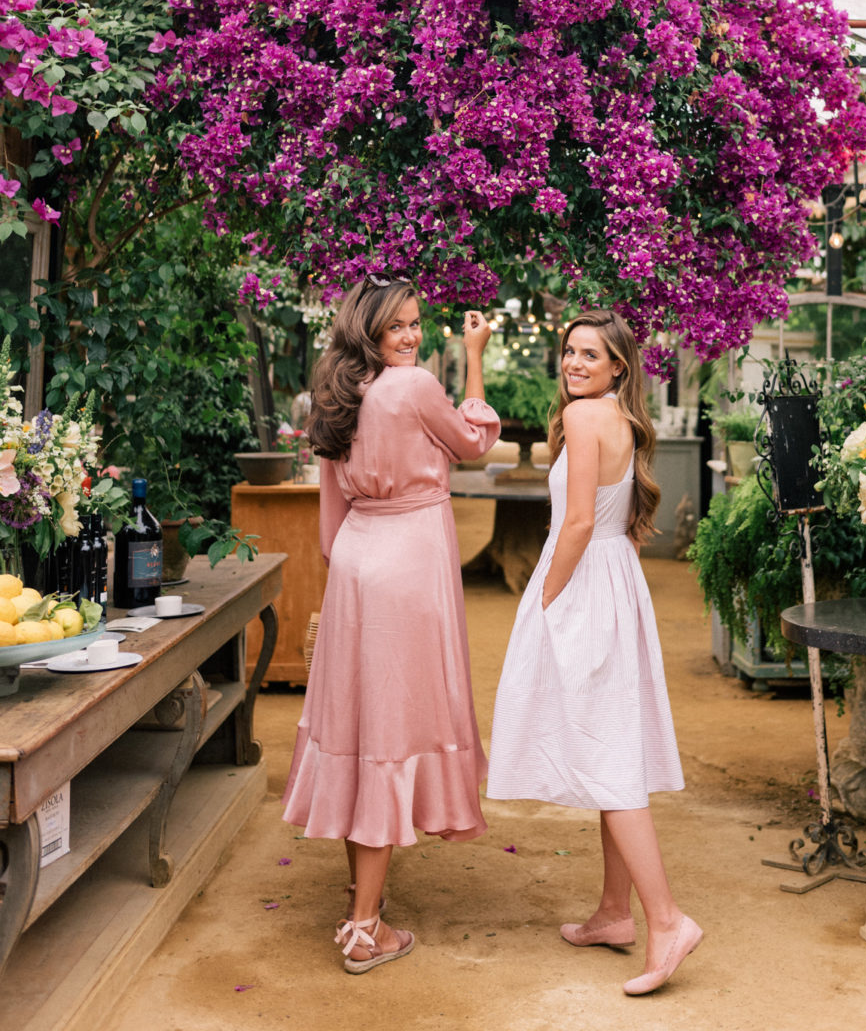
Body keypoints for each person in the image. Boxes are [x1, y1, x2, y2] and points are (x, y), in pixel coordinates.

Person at [283, 278, 500, 974]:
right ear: (369, 330)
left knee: (358, 726)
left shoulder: (335, 395)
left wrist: (353, 567)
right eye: (396, 326)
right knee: (389, 731)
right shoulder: (413, 386)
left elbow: (329, 521)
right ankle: (364, 928)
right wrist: (474, 356)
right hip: (410, 561)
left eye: (414, 323)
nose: (409, 335)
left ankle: (363, 897)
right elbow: (473, 442)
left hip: (356, 560)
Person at [487, 308, 702, 996]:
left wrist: (546, 599)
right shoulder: (621, 418)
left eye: (591, 354)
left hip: (582, 582)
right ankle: (614, 913)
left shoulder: (583, 418)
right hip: (613, 580)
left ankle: (666, 920)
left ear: (618, 366)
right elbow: (619, 521)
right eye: (570, 351)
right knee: (613, 749)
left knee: (608, 761)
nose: (575, 363)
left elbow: (578, 521)